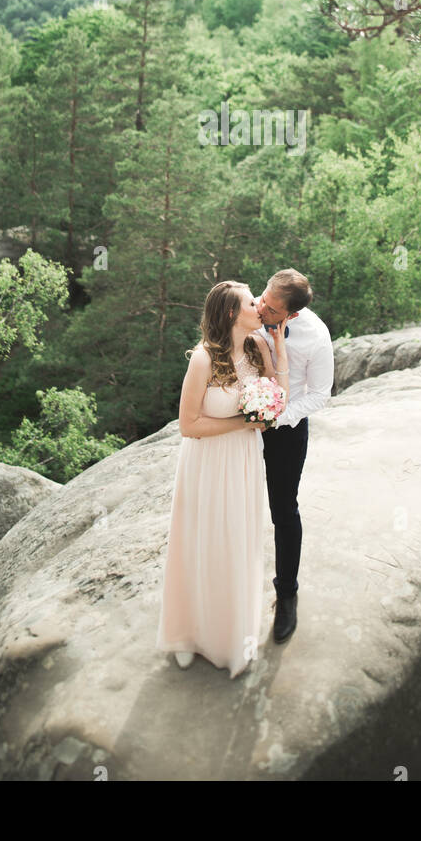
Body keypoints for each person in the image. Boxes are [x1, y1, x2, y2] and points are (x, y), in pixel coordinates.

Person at [156, 280, 289, 678]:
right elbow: (188, 424)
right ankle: (187, 635)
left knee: (237, 543)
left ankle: (231, 639)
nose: (259, 306)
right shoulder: (202, 360)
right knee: (200, 544)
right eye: (252, 302)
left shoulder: (257, 347)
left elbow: (276, 401)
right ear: (232, 314)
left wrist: (278, 350)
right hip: (207, 463)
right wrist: (242, 421)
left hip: (244, 461)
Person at [256, 269, 334, 644]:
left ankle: (287, 593)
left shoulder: (315, 336)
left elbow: (320, 394)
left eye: (270, 308)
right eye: (262, 296)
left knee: (284, 512)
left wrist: (275, 418)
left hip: (285, 430)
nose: (260, 307)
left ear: (291, 315)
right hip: (237, 424)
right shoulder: (253, 308)